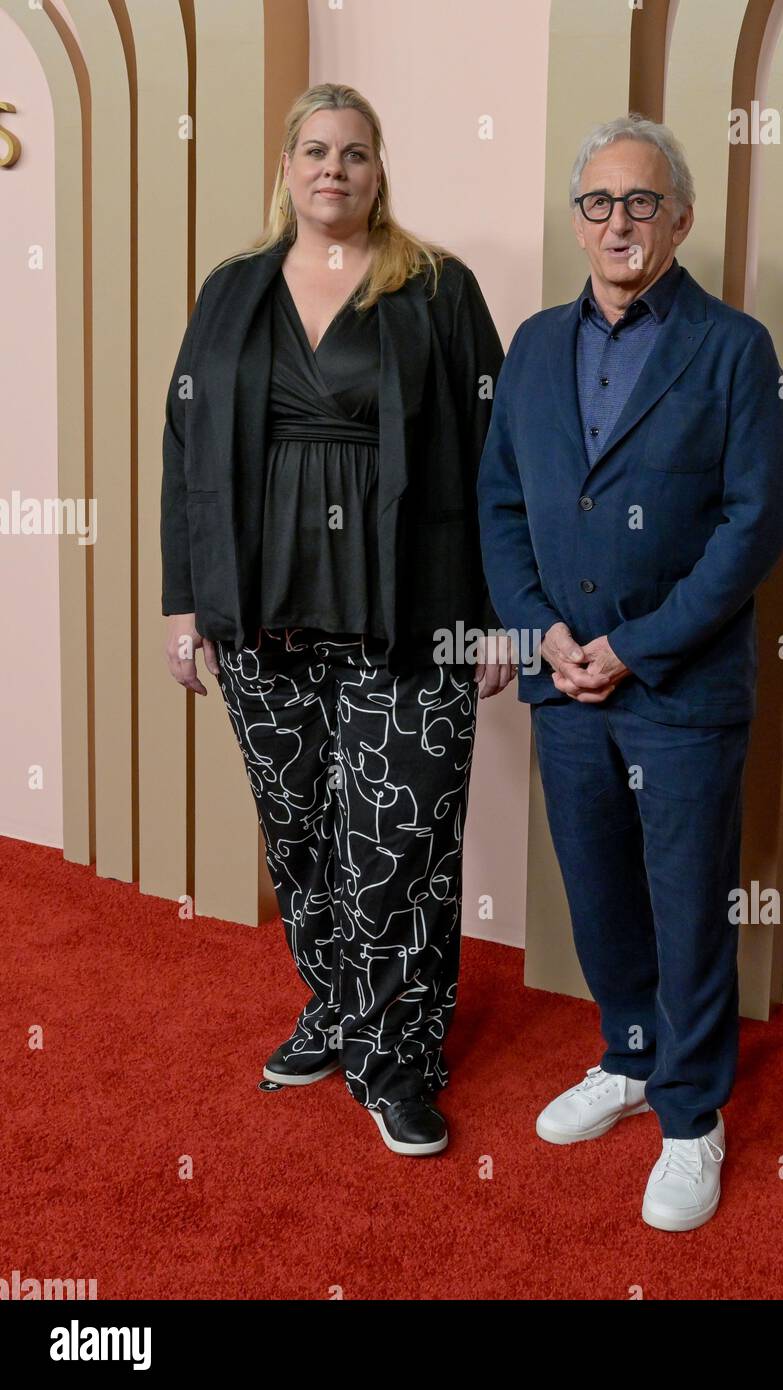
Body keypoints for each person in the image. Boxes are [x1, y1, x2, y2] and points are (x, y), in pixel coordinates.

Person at [161, 82, 512, 1157]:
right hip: (262, 618)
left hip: (410, 614)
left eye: (355, 153)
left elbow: (500, 458)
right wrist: (185, 602)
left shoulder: (438, 289)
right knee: (304, 835)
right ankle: (335, 1005)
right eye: (316, 150)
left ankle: (399, 1056)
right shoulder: (231, 291)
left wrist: (498, 612)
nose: (334, 169)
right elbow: (184, 453)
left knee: (400, 845)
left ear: (379, 170)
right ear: (289, 165)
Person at [477, 114, 783, 1228]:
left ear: (682, 218)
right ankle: (628, 1054)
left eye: (643, 202)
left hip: (679, 691)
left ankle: (692, 1117)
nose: (620, 223)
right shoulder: (529, 347)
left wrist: (637, 644)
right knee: (600, 893)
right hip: (564, 682)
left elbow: (755, 528)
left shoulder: (735, 349)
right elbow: (503, 505)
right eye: (600, 204)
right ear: (578, 222)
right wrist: (537, 631)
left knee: (686, 904)